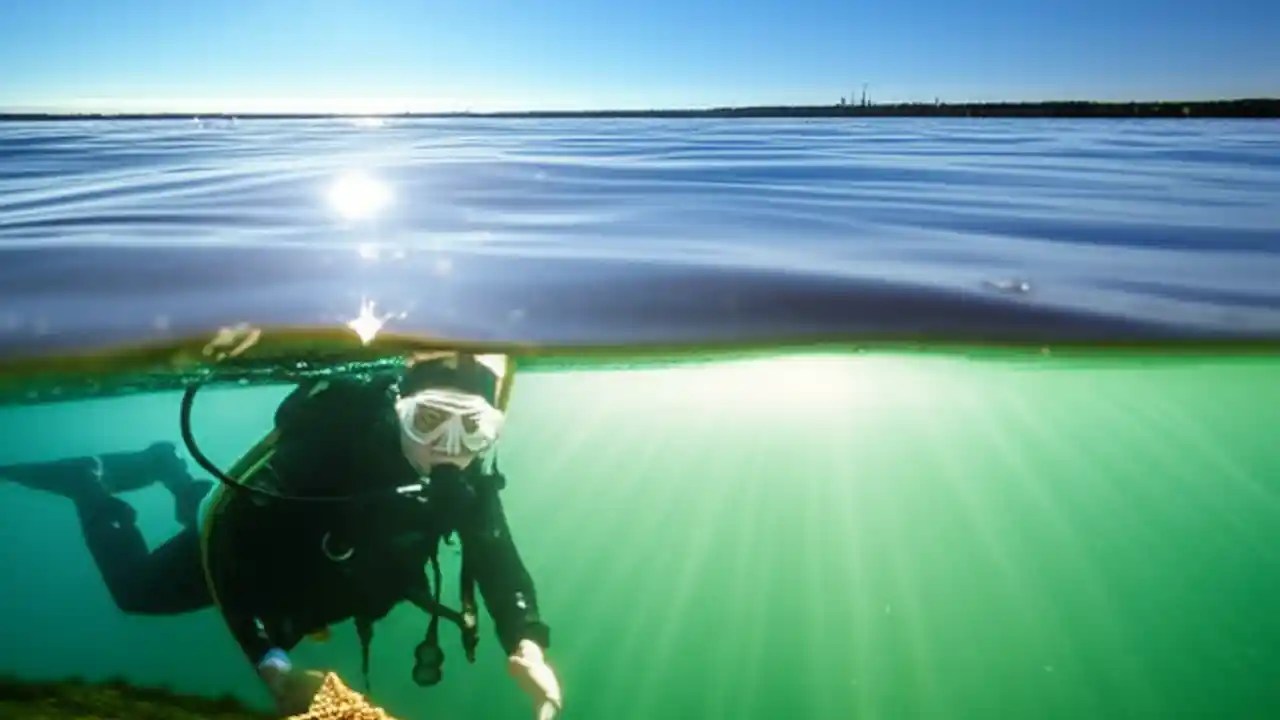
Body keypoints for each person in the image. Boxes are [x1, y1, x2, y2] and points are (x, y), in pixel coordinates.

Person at [0, 351, 562, 719]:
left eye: (474, 430)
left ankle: (166, 469)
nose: (448, 447)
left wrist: (526, 644)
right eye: (429, 420)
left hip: (309, 592)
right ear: (398, 410)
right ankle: (92, 487)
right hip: (245, 560)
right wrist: (268, 660)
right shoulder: (331, 445)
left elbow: (497, 558)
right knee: (137, 593)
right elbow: (231, 539)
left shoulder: (468, 481)